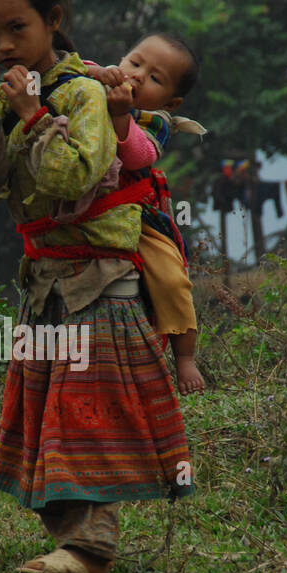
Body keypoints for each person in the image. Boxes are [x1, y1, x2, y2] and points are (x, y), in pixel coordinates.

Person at [0, 0, 193, 573]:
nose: (3, 45)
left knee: (82, 413)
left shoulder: (83, 94)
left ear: (53, 20)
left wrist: (32, 115)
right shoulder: (8, 97)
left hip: (97, 281)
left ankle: (91, 550)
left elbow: (72, 176)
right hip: (44, 284)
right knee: (44, 415)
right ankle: (73, 540)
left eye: (17, 28)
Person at [83, 37, 206, 394]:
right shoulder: (94, 86)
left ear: (171, 102)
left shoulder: (156, 121)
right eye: (135, 63)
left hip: (136, 217)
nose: (137, 76)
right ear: (121, 59)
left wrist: (121, 116)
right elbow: (70, 70)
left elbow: (138, 156)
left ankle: (184, 356)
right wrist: (96, 73)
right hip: (82, 210)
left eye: (154, 78)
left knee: (172, 280)